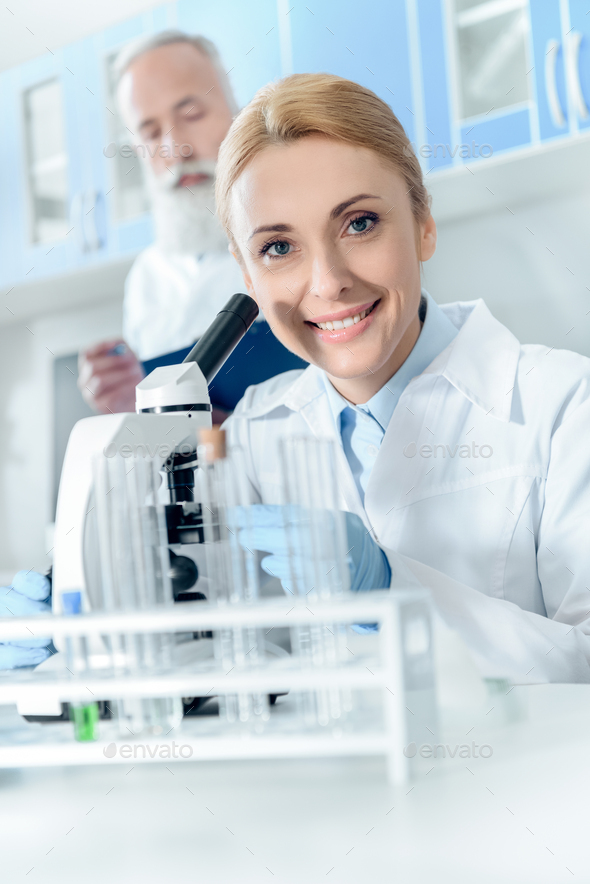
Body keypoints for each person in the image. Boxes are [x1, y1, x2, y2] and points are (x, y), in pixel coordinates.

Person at [5, 74, 590, 682]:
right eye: (279, 248)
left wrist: (391, 587)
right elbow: (210, 643)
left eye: (359, 223)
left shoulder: (563, 404)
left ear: (424, 225)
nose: (328, 282)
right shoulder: (255, 431)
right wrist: (75, 622)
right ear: (248, 278)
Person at [78, 30, 305, 419]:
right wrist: (126, 403)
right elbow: (166, 431)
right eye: (150, 133)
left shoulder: (302, 238)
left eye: (192, 115)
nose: (175, 149)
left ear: (238, 113)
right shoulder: (145, 279)